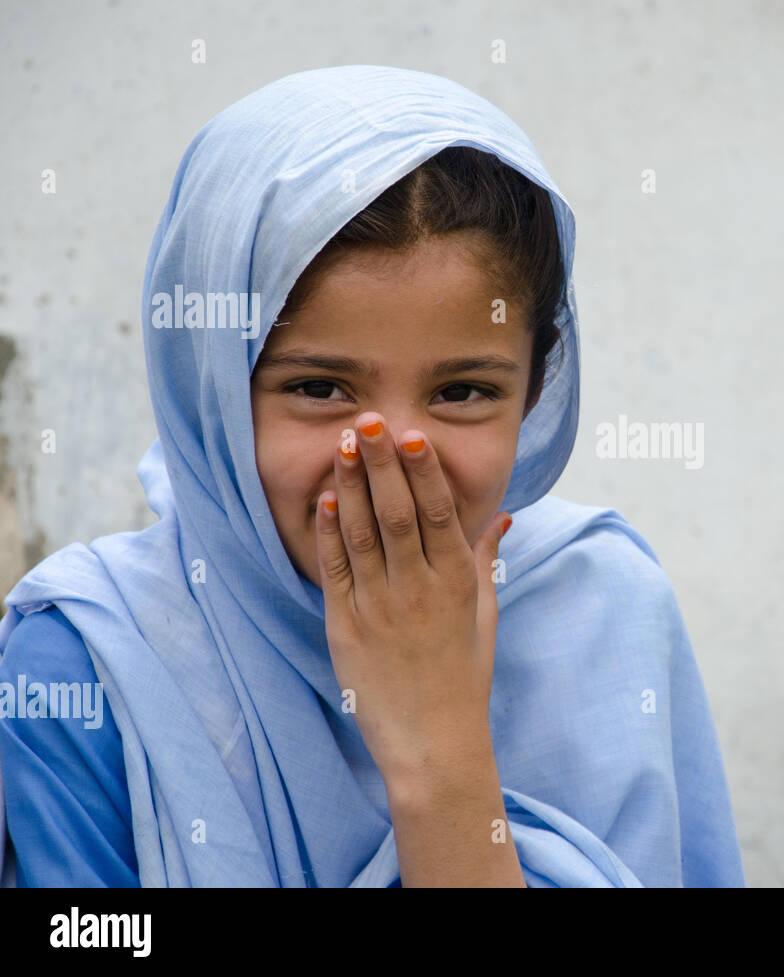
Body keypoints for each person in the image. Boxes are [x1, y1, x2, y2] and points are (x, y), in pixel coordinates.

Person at [0, 65, 745, 887]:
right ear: (210, 393)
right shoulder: (88, 664)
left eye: (463, 391)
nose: (392, 462)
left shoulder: (605, 610)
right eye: (318, 389)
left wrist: (441, 760)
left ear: (533, 393)